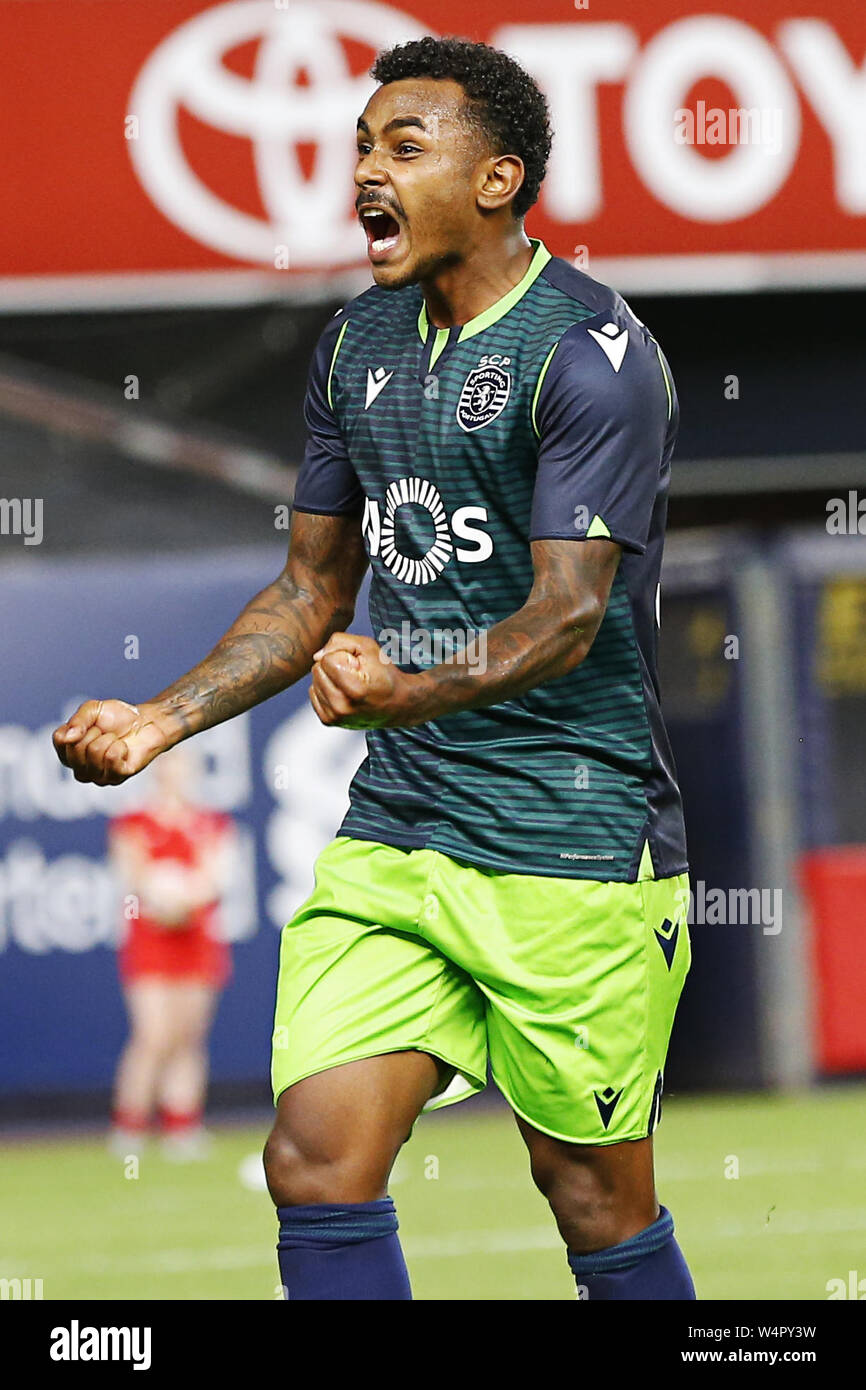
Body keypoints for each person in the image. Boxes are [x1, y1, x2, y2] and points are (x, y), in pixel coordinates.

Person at [53, 36, 694, 1299]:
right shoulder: (355, 347)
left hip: (569, 841)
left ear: (499, 177)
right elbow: (309, 593)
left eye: (404, 147)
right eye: (359, 147)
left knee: (590, 1196)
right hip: (399, 827)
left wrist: (407, 681)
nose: (364, 172)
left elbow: (565, 615)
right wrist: (156, 722)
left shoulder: (590, 357)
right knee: (314, 1160)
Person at [107, 745, 234, 1159]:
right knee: (153, 1034)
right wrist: (163, 898)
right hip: (150, 940)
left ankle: (182, 1125)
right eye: (168, 765)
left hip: (196, 938)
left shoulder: (212, 823)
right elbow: (133, 874)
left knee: (189, 1035)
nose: (175, 772)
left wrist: (188, 898)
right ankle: (130, 1126)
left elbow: (216, 876)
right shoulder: (133, 823)